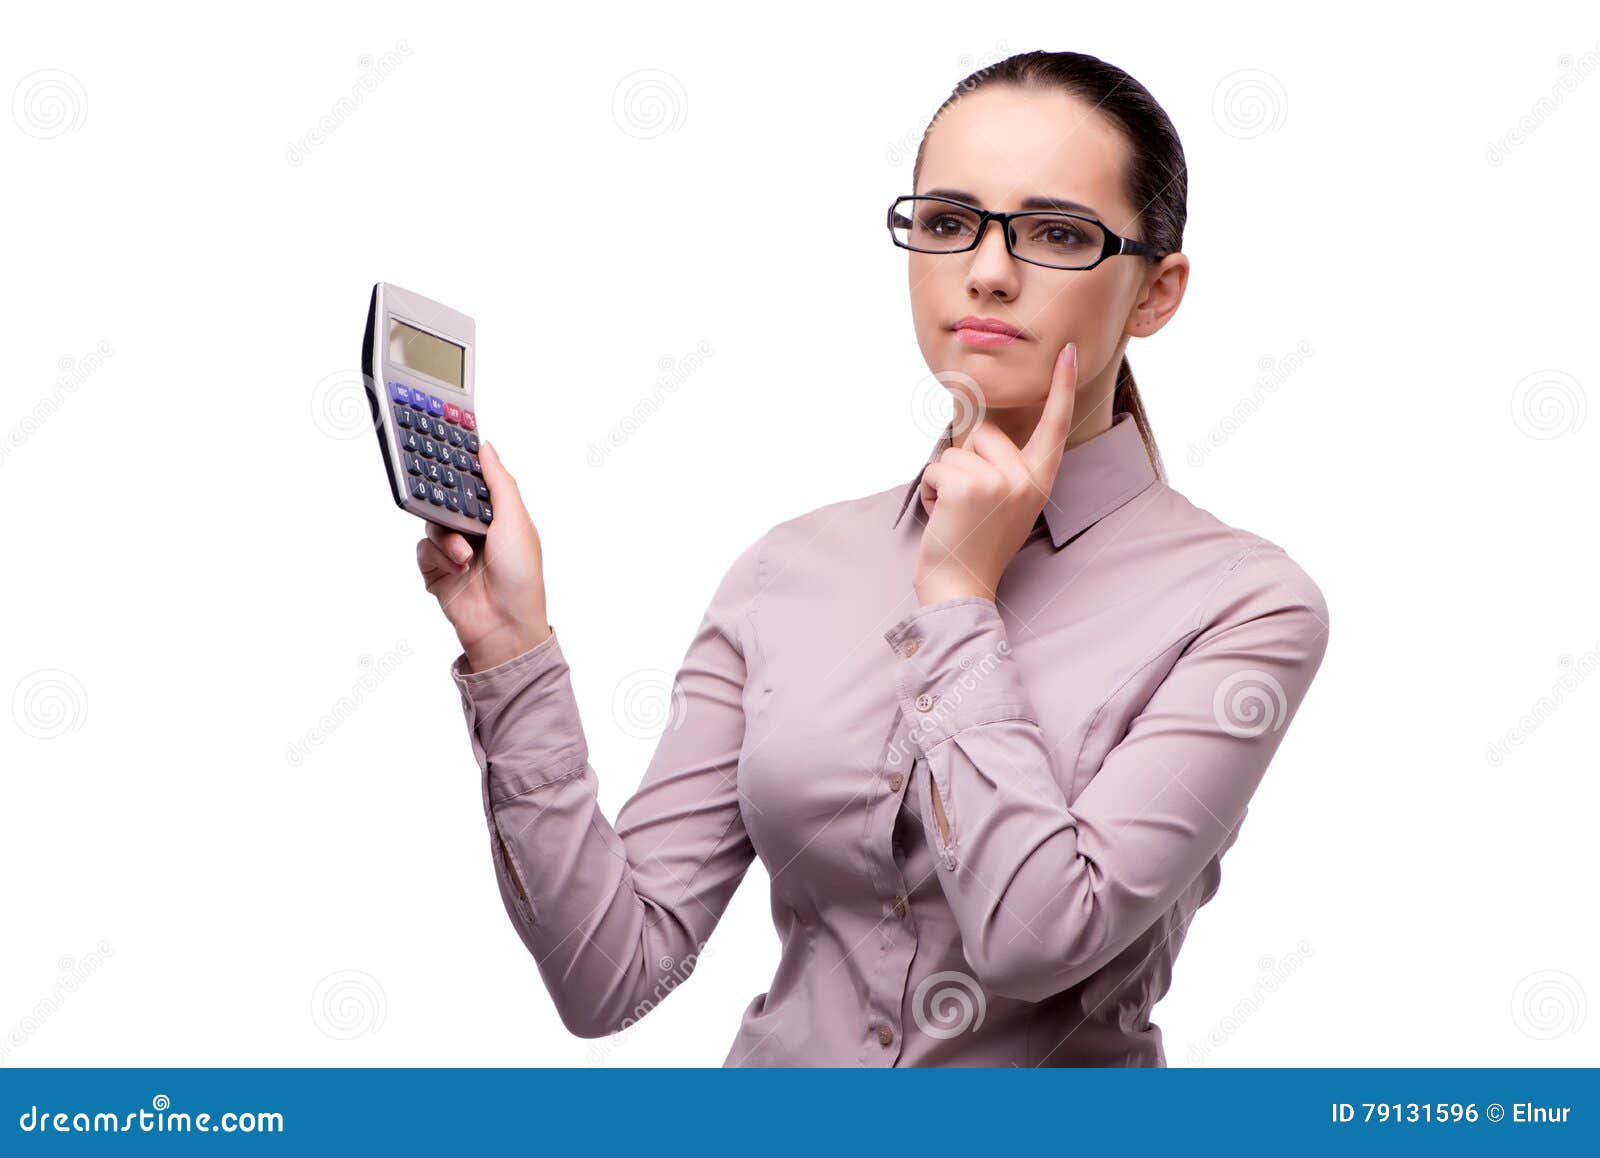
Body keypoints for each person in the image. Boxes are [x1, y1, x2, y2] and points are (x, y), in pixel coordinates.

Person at [416, 49, 1329, 1066]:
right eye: (947, 222)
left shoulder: (1244, 604)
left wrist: (957, 595)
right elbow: (610, 974)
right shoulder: (787, 571)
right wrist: (512, 652)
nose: (987, 269)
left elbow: (1038, 939)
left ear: (1155, 296)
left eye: (1056, 233)